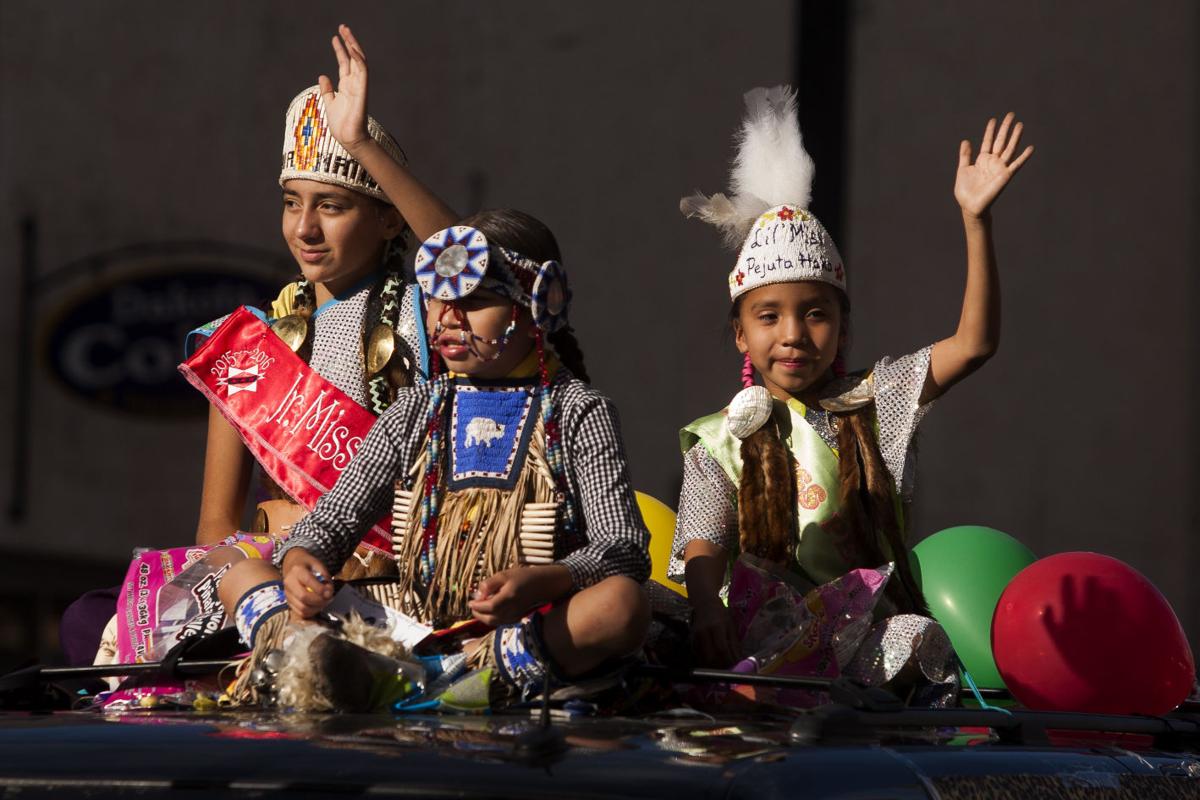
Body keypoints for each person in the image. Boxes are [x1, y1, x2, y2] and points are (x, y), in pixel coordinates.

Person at [58, 25, 458, 666]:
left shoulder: (424, 316)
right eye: (291, 203)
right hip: (270, 577)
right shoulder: (249, 343)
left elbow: (468, 263)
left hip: (390, 575)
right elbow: (214, 528)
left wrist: (359, 144)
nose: (304, 228)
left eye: (330, 205)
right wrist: (270, 547)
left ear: (387, 219)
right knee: (89, 621)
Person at [670, 87, 1033, 698]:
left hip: (862, 637)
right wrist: (707, 607)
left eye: (814, 314)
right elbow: (702, 539)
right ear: (740, 334)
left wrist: (976, 221)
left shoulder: (878, 397)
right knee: (642, 614)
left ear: (842, 328)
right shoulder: (720, 436)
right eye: (768, 317)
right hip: (754, 631)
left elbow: (973, 344)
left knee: (914, 641)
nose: (792, 335)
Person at [218, 208, 652, 709]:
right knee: (241, 572)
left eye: (476, 300)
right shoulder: (418, 408)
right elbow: (331, 523)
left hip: (515, 632)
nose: (447, 317)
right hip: (410, 625)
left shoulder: (578, 411)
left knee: (621, 606)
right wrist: (301, 564)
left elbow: (623, 548)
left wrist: (546, 580)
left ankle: (439, 680)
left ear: (536, 307)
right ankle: (348, 662)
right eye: (438, 298)